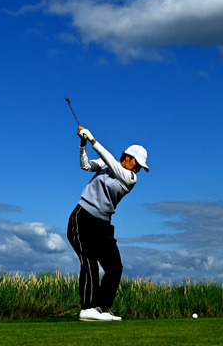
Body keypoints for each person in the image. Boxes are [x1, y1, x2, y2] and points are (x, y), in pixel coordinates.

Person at [66, 124, 149, 322]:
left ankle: (101, 309)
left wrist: (94, 139)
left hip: (103, 226)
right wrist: (83, 144)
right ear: (127, 156)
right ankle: (87, 308)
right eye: (136, 162)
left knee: (115, 267)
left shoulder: (130, 178)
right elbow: (85, 165)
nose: (137, 168)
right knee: (89, 262)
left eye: (140, 166)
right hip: (82, 218)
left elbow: (110, 161)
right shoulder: (105, 165)